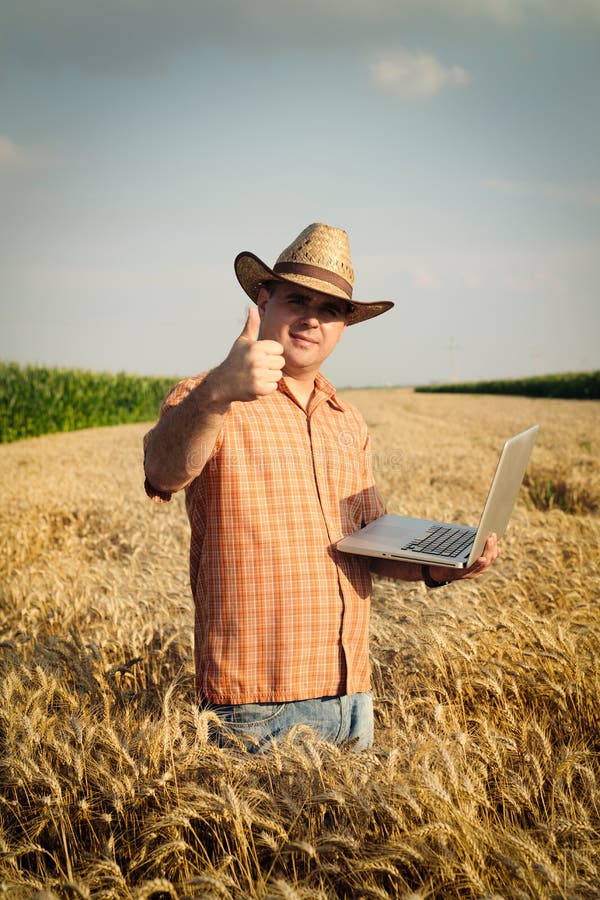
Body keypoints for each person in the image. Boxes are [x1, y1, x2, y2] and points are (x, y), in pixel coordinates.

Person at [143, 222, 498, 751]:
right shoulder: (206, 397)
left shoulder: (345, 420)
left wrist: (440, 562)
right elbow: (162, 471)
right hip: (252, 706)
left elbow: (368, 544)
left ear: (344, 326)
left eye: (330, 309)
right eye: (296, 300)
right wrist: (220, 391)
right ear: (263, 301)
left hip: (351, 697)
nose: (312, 318)